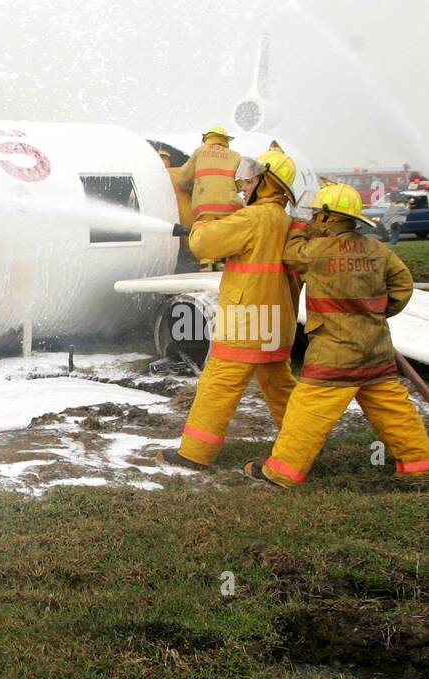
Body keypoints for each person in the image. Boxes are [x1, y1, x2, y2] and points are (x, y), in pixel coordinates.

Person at [245, 182, 429, 487]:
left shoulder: (315, 251)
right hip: (375, 350)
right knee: (396, 412)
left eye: (319, 214)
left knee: (306, 414)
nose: (316, 217)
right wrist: (376, 314)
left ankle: (280, 474)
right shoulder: (378, 251)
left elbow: (290, 254)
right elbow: (402, 288)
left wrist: (303, 229)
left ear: (328, 217)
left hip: (333, 354)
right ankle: (420, 467)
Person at [160, 148, 302, 472]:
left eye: (251, 179)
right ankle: (305, 444)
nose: (244, 185)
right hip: (277, 319)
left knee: (218, 384)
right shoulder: (286, 221)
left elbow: (205, 244)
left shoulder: (253, 217)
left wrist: (196, 229)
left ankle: (195, 454)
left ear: (267, 183)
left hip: (247, 319)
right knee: (280, 387)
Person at [173, 127, 244, 271]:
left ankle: (206, 263)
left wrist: (185, 186)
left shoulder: (200, 152)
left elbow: (184, 175)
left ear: (208, 138)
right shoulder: (236, 156)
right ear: (226, 140)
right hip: (228, 203)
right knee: (223, 231)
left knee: (205, 231)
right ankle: (222, 260)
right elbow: (242, 182)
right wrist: (231, 189)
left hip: (204, 203)